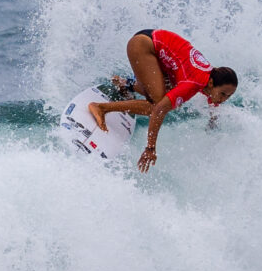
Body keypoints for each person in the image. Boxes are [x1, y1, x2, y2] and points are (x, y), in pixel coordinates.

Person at [88, 29, 238, 172]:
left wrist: (212, 126)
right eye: (223, 94)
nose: (223, 99)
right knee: (156, 105)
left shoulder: (212, 81)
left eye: (229, 96)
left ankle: (125, 84)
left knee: (166, 94)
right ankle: (101, 108)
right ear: (211, 84)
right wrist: (150, 148)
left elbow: (214, 104)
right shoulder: (194, 83)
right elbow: (159, 110)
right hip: (143, 45)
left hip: (157, 47)